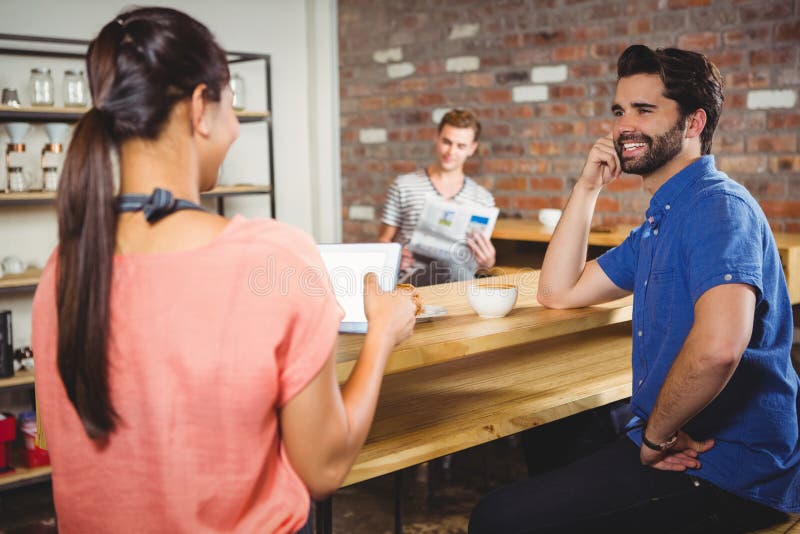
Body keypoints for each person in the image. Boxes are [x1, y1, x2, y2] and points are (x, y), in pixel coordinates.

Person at [31, 8, 416, 533]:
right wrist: (382, 333)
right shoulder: (276, 257)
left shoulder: (65, 268)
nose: (235, 129)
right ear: (200, 109)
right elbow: (323, 468)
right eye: (232, 105)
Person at [470, 44, 799, 533]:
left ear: (693, 123)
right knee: (552, 437)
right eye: (620, 110)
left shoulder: (718, 208)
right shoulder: (659, 221)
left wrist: (657, 435)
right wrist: (586, 187)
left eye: (645, 110)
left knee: (496, 518)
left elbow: (718, 350)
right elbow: (557, 292)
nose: (625, 124)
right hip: (672, 437)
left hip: (726, 470)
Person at [378, 109, 496, 286]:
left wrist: (489, 263)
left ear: (472, 148)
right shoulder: (404, 186)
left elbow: (480, 265)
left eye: (461, 146)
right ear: (436, 138)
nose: (451, 151)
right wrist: (394, 257)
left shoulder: (483, 199)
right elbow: (383, 242)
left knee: (456, 266)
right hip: (413, 280)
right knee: (451, 267)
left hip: (460, 282)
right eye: (446, 142)